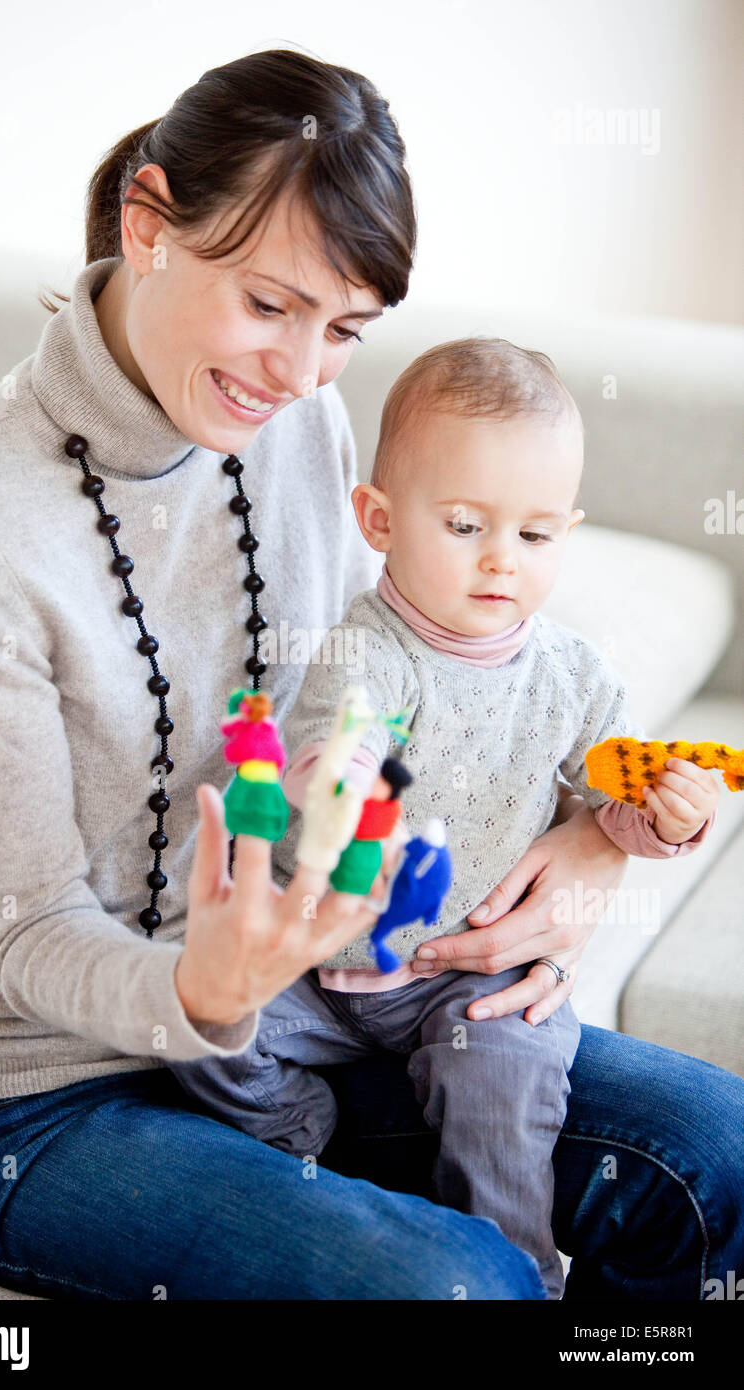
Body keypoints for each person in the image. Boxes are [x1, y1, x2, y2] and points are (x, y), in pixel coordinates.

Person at [0, 49, 742, 1301]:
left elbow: (407, 698)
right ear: (148, 223)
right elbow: (28, 929)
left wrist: (588, 846)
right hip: (41, 1102)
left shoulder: (299, 424)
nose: (297, 373)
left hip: (320, 1011)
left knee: (719, 1150)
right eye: (268, 305)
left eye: (342, 329)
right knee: (455, 1287)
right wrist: (208, 980)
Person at [167, 337, 719, 1299]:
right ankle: (301, 1142)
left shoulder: (576, 680)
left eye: (537, 537)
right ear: (379, 519)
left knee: (506, 1078)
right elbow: (342, 734)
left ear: (567, 533)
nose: (502, 560)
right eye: (465, 525)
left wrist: (665, 817)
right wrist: (335, 773)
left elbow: (609, 816)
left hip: (471, 980)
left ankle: (520, 1271)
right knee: (203, 1017)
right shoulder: (363, 647)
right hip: (318, 964)